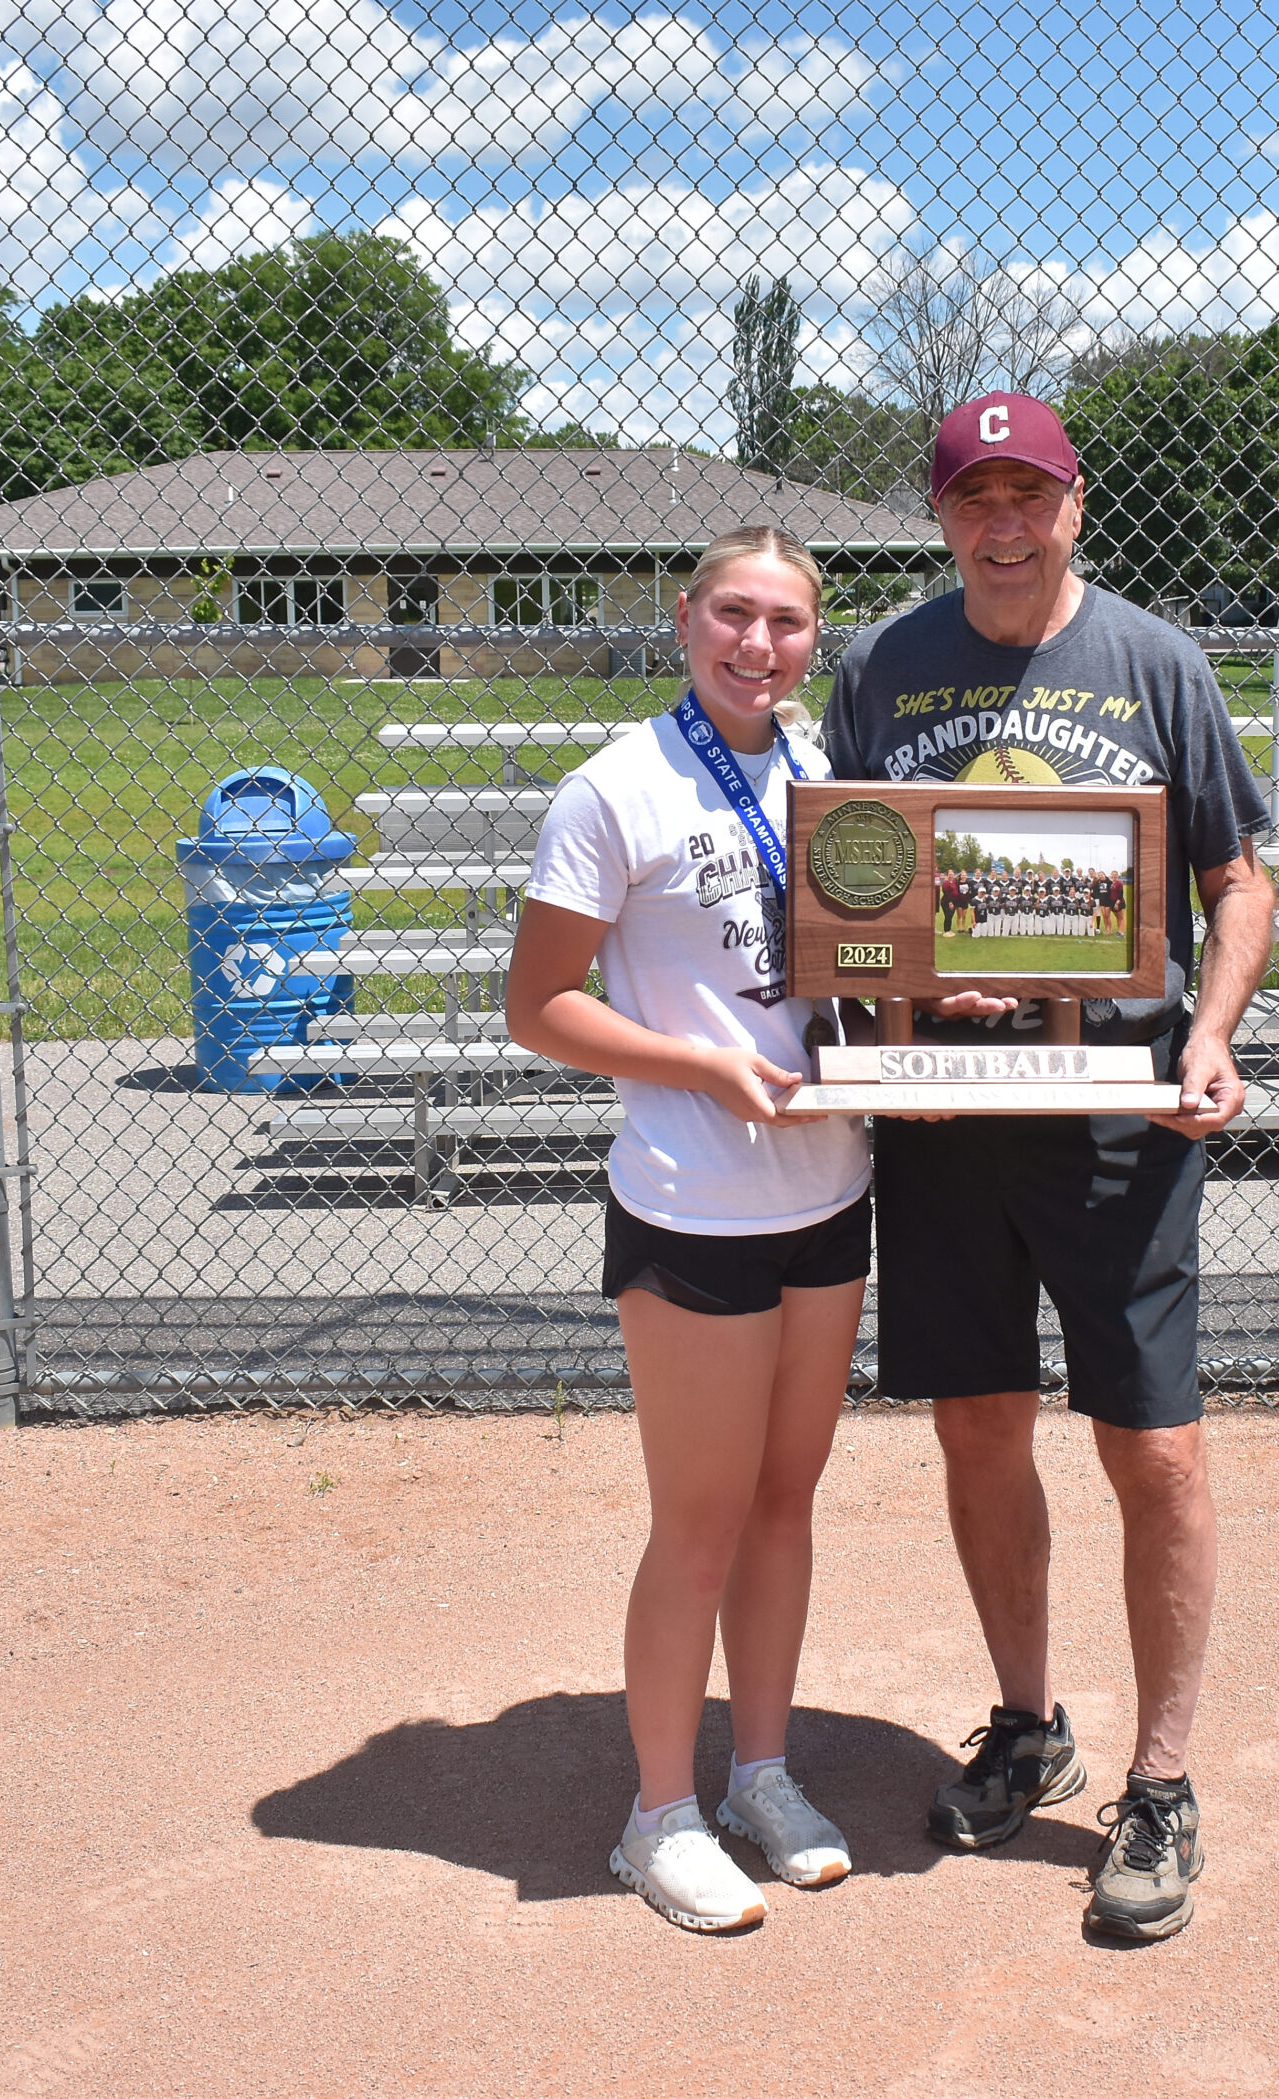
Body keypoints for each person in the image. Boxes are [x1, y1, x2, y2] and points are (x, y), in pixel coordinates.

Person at [825, 391, 1277, 1942]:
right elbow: (845, 885)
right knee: (974, 1427)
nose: (1004, 526)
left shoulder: (1156, 661)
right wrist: (890, 1017)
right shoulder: (882, 664)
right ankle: (1029, 1725)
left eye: (1031, 496)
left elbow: (1237, 877)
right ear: (943, 518)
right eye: (975, 501)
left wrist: (1210, 1032)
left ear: (1077, 505)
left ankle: (1160, 1783)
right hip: (947, 1118)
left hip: (1116, 1114)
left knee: (1153, 1448)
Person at [508, 525, 865, 1935]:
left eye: (784, 622)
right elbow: (539, 1008)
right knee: (702, 1522)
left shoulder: (831, 774)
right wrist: (703, 1066)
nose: (756, 644)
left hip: (830, 1191)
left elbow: (872, 960)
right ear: (684, 618)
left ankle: (760, 1774)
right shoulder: (614, 790)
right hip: (692, 1199)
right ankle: (658, 1812)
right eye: (733, 614)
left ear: (810, 640)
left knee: (787, 1506)